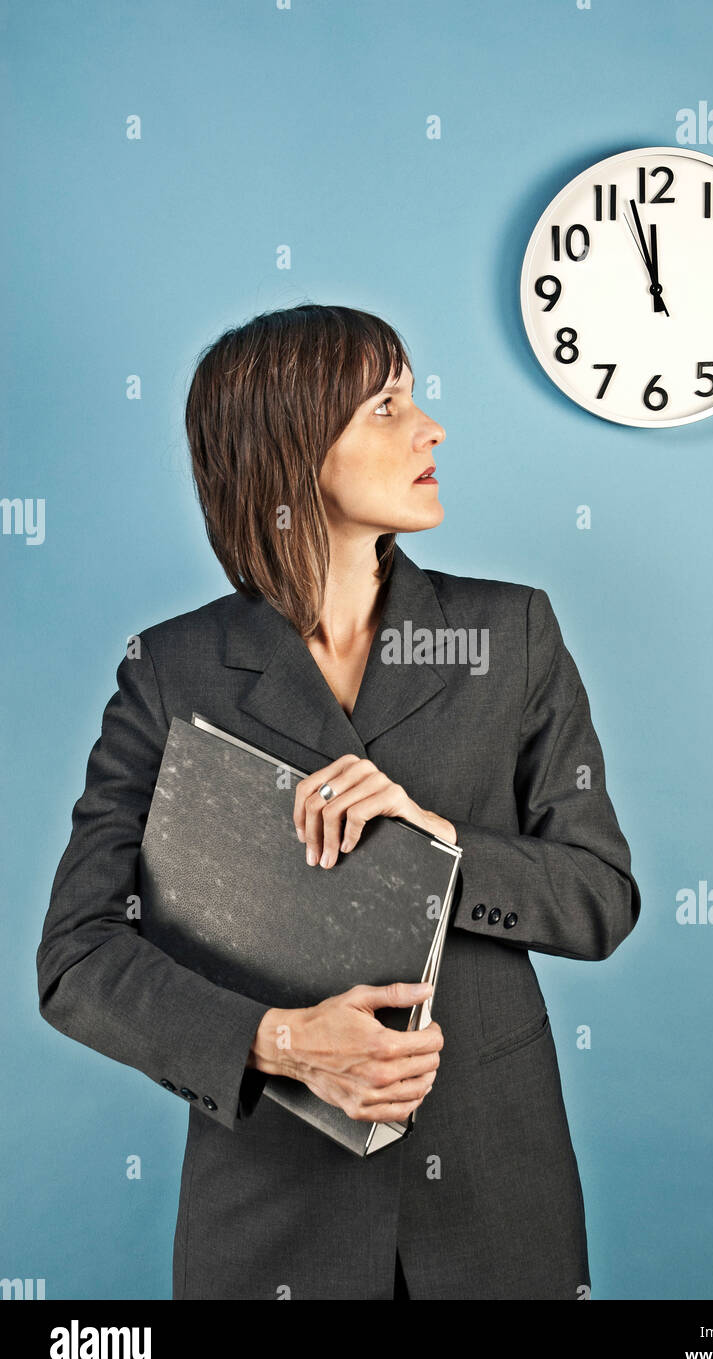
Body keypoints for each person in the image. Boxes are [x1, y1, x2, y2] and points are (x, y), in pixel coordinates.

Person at [38, 303, 641, 1300]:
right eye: (388, 407)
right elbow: (79, 957)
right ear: (290, 448)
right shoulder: (172, 670)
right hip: (270, 1215)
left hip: (500, 1207)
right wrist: (281, 1041)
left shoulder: (512, 633)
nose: (431, 429)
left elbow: (599, 896)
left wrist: (432, 837)